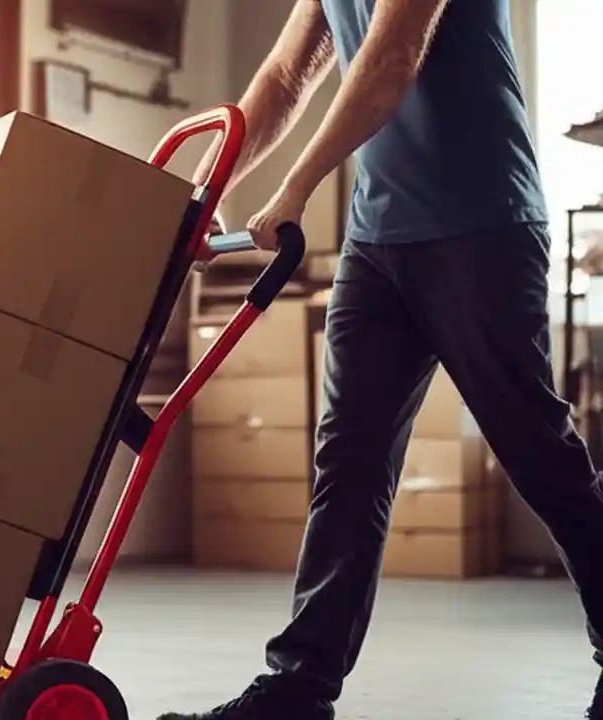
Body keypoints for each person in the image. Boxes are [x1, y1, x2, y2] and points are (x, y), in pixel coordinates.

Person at [167, 0, 603, 718]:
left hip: (482, 225)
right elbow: (283, 75)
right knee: (349, 460)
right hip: (378, 242)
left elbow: (391, 60)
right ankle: (298, 688)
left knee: (536, 452)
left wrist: (294, 192)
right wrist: (203, 191)